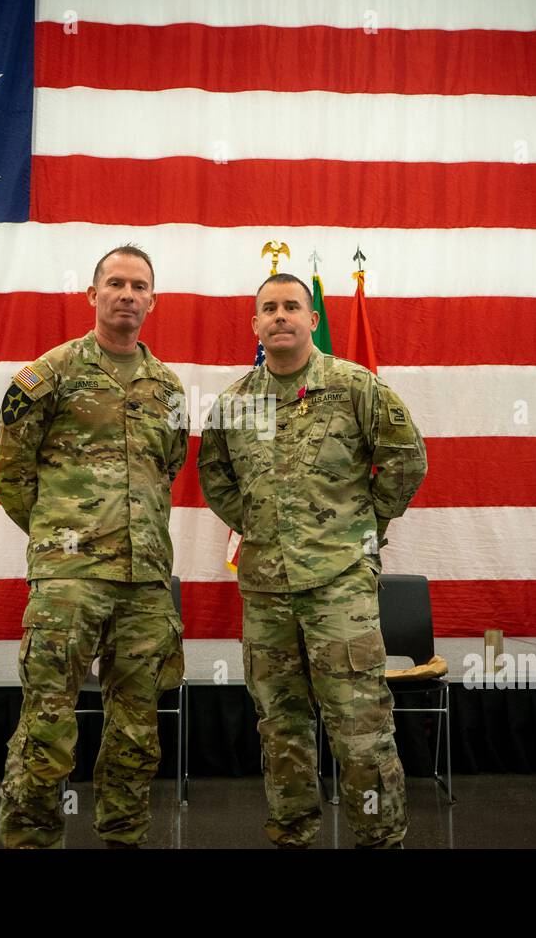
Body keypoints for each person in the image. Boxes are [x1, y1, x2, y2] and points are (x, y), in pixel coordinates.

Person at [197, 273, 427, 848]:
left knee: (360, 728)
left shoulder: (355, 388)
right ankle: (293, 836)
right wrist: (259, 526)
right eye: (269, 308)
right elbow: (215, 478)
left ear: (312, 318)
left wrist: (364, 528)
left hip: (339, 588)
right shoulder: (234, 404)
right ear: (255, 324)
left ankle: (380, 838)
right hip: (266, 592)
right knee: (281, 729)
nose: (280, 315)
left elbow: (406, 459)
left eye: (292, 306)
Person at [0, 245, 188, 848]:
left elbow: (169, 466)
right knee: (47, 724)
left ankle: (123, 838)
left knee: (136, 730)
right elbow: (9, 468)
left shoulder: (169, 388)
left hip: (145, 583)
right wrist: (60, 538)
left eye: (139, 286)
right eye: (116, 284)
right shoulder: (50, 372)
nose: (127, 294)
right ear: (91, 294)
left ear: (153, 300)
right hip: (70, 579)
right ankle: (31, 840)